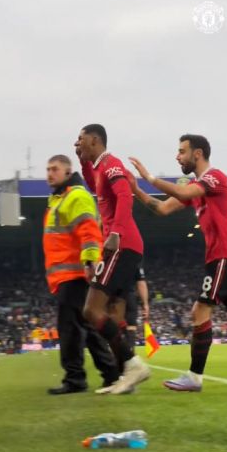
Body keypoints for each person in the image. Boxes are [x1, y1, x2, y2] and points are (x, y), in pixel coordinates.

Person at [129, 134, 227, 392]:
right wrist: (136, 190)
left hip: (224, 255)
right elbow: (163, 208)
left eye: (182, 152)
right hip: (217, 257)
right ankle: (194, 377)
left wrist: (150, 177)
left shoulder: (214, 178)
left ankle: (194, 377)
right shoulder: (197, 188)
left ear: (197, 154)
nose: (178, 157)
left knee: (199, 311)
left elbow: (184, 190)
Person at [75, 124, 150, 394]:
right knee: (113, 313)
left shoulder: (111, 163)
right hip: (125, 246)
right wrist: (81, 161)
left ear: (95, 140)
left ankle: (132, 364)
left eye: (81, 139)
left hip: (122, 245)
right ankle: (125, 378)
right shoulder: (98, 168)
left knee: (91, 310)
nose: (78, 142)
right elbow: (96, 187)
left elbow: (123, 196)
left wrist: (116, 233)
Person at [42, 154, 120, 394]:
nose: (49, 173)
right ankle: (112, 375)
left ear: (68, 172)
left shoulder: (75, 196)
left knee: (70, 328)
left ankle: (76, 379)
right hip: (69, 275)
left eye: (54, 169)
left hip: (74, 274)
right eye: (47, 169)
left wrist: (89, 263)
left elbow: (89, 233)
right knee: (87, 329)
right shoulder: (59, 199)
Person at [124, 267, 149, 350]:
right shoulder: (135, 259)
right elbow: (141, 283)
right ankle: (130, 356)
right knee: (130, 326)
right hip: (128, 295)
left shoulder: (108, 257)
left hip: (108, 295)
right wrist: (145, 304)